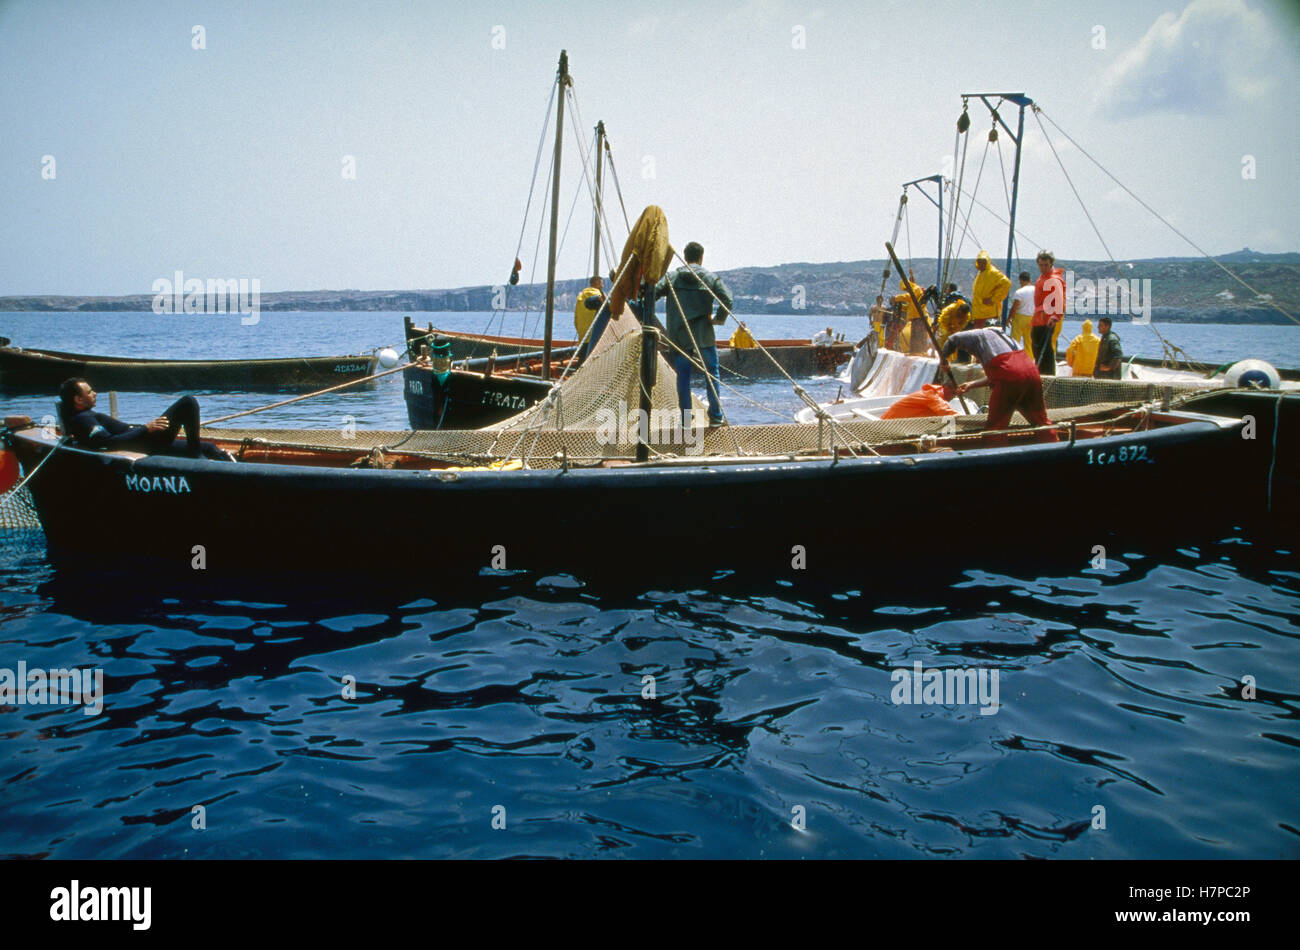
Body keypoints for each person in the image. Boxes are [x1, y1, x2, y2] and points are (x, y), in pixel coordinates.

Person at [648, 241, 733, 426]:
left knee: (683, 376)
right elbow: (727, 299)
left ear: (685, 257)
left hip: (679, 336)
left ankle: (686, 418)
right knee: (712, 374)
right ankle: (716, 416)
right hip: (704, 335)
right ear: (701, 257)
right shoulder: (710, 278)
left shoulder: (672, 277)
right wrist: (718, 319)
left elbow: (651, 294)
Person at [58, 378, 235, 460]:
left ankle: (230, 467)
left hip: (145, 439)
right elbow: (108, 443)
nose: (95, 393)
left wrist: (144, 429)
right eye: (89, 392)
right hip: (146, 443)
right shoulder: (83, 419)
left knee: (209, 447)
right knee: (188, 402)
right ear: (78, 399)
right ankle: (196, 456)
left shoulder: (85, 416)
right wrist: (146, 429)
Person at [944, 327, 1059, 447]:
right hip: (1031, 373)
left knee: (995, 427)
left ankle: (995, 454)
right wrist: (971, 384)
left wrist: (944, 359)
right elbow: (1008, 373)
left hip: (1010, 378)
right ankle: (1054, 447)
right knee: (1040, 420)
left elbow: (952, 339)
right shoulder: (1006, 339)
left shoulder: (977, 335)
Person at [1032, 251, 1065, 375]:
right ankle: (1040, 374)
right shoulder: (1042, 277)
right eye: (1041, 265)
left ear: (1051, 264)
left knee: (1046, 350)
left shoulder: (1054, 279)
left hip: (1048, 318)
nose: (1043, 267)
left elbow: (1061, 300)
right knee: (1037, 347)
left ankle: (1048, 376)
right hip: (1038, 318)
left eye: (1046, 265)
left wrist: (1055, 316)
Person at [970, 250, 1011, 330]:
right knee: (978, 334)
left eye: (983, 262)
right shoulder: (981, 273)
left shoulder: (993, 272)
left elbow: (1006, 283)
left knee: (989, 334)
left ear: (987, 262)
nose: (981, 264)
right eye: (979, 262)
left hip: (989, 313)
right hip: (978, 313)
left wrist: (993, 299)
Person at [574, 276, 608, 360]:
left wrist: (579, 332)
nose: (603, 286)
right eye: (602, 283)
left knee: (582, 360)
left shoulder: (580, 297)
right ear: (597, 283)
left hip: (583, 335)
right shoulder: (599, 296)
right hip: (595, 335)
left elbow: (576, 318)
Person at [1007, 270, 1035, 355]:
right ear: (1030, 280)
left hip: (1020, 317)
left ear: (1021, 280)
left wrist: (1009, 319)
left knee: (1015, 340)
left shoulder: (1019, 292)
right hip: (1032, 317)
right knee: (1029, 341)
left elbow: (1014, 307)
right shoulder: (1036, 290)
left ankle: (1015, 358)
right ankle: (1030, 359)